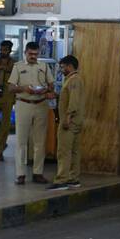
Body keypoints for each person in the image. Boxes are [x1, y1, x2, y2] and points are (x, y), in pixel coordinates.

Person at [8, 41, 54, 184]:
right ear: (25, 53)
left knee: (40, 141)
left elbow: (51, 84)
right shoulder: (18, 66)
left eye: (36, 54)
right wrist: (23, 88)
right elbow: (10, 87)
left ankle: (37, 173)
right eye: (30, 54)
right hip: (23, 104)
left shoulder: (44, 66)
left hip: (41, 105)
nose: (33, 56)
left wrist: (47, 90)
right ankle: (20, 174)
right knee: (21, 141)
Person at [52, 54, 84, 189]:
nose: (61, 70)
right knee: (75, 151)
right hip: (77, 122)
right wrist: (58, 95)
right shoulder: (73, 79)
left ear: (70, 66)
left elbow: (74, 101)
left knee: (64, 151)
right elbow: (70, 98)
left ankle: (61, 180)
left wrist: (67, 118)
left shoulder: (74, 80)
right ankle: (73, 179)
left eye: (63, 67)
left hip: (70, 122)